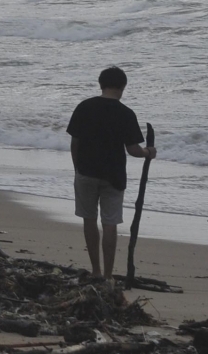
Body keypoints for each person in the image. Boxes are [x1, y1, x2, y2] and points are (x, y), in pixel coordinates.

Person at [66, 66, 156, 280]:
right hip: (113, 175)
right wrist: (147, 152)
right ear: (123, 86)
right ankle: (107, 276)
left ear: (101, 84)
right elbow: (133, 150)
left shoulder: (84, 107)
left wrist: (77, 168)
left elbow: (74, 143)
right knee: (110, 223)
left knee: (89, 219)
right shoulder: (125, 113)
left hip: (86, 171)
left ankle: (95, 270)